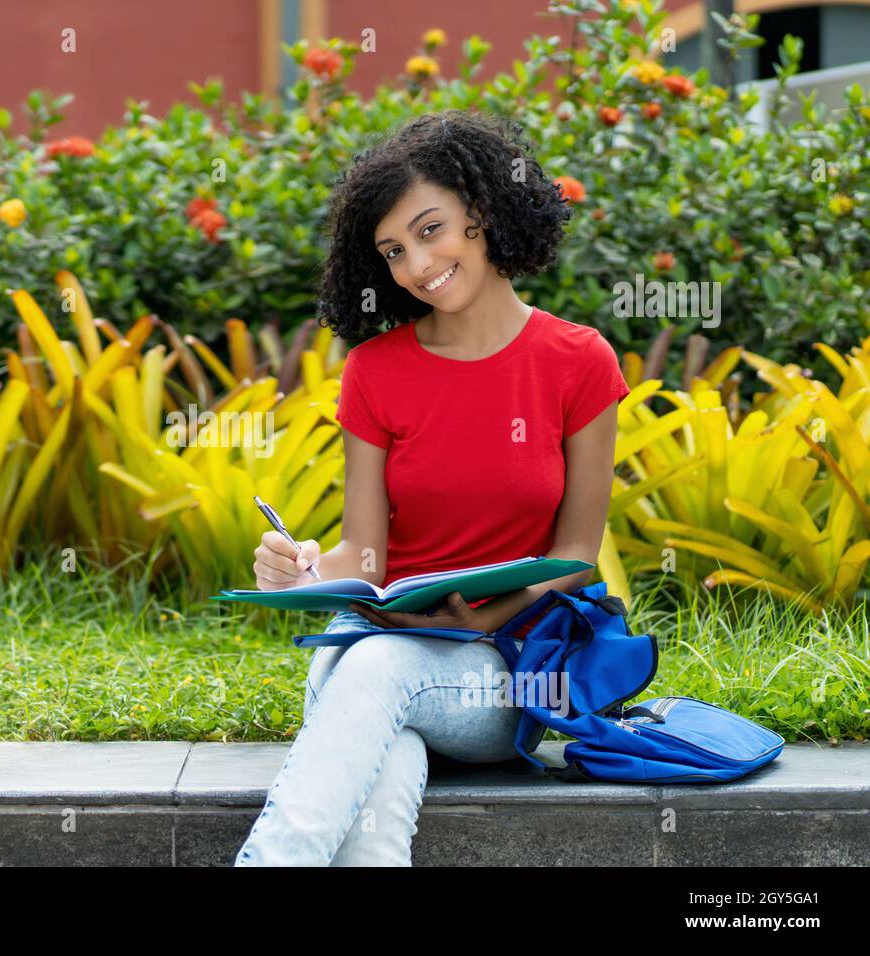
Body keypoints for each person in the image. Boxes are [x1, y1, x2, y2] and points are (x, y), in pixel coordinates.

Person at [233, 110, 631, 866]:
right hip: (385, 649)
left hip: (505, 669)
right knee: (375, 722)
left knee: (367, 668)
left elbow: (577, 557)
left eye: (429, 230)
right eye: (392, 250)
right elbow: (368, 554)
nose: (415, 265)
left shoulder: (578, 362)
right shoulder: (376, 371)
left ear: (481, 214)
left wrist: (480, 625)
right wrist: (305, 571)